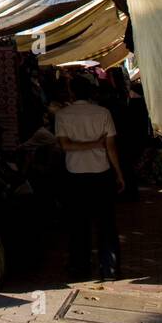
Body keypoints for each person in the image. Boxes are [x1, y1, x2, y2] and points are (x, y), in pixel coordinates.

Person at [54, 72, 125, 281]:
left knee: (78, 223)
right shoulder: (103, 113)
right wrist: (119, 173)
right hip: (101, 173)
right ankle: (110, 268)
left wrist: (84, 146)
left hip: (75, 175)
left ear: (71, 92)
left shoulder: (63, 115)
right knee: (106, 223)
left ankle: (80, 267)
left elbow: (65, 145)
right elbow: (111, 147)